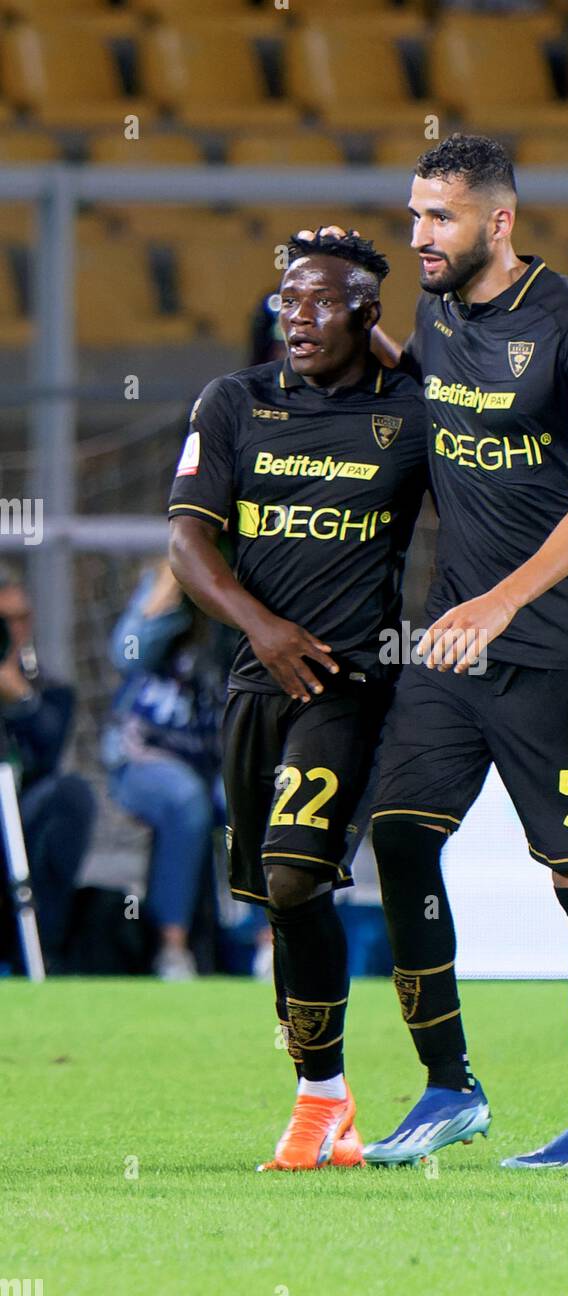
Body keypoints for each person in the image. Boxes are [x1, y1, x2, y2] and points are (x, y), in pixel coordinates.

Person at [334, 132, 568, 1170]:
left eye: (437, 217)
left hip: (566, 650)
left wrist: (503, 601)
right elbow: (428, 398)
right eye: (412, 215)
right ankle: (448, 1087)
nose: (418, 236)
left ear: (499, 220)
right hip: (461, 647)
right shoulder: (436, 318)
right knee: (395, 834)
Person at [167, 232, 431, 1171]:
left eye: (322, 303)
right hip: (254, 681)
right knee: (281, 901)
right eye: (287, 302)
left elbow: (497, 491)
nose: (298, 319)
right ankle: (332, 1094)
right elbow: (189, 547)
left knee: (292, 874)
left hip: (349, 682)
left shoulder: (411, 413)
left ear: (368, 315)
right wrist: (261, 629)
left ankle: (317, 1101)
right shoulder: (233, 402)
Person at [104, 560, 227, 980]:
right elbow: (126, 651)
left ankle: (271, 946)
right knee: (185, 798)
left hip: (217, 760)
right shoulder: (164, 584)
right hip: (145, 759)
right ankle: (172, 950)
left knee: (259, 795)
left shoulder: (245, 590)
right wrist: (177, 576)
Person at [0, 565, 95, 972]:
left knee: (72, 793)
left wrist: (20, 700)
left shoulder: (49, 690)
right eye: (4, 621)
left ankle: (42, 952)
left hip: (21, 819)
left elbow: (47, 757)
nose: (14, 630)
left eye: (22, 618)